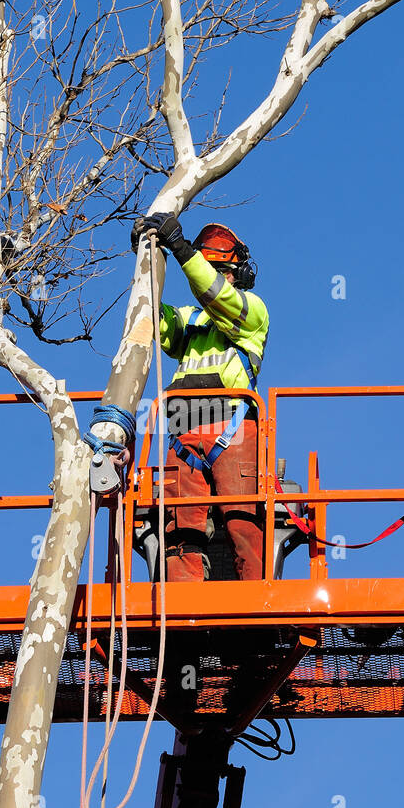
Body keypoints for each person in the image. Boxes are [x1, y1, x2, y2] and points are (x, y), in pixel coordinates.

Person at [131, 213, 269, 582]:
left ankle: (256, 604)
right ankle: (183, 604)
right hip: (185, 428)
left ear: (237, 275)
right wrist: (145, 265)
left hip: (233, 427)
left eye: (220, 272)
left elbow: (214, 293)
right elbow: (150, 318)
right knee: (179, 527)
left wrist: (180, 248)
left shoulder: (252, 311)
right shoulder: (190, 317)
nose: (212, 279)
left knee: (242, 521)